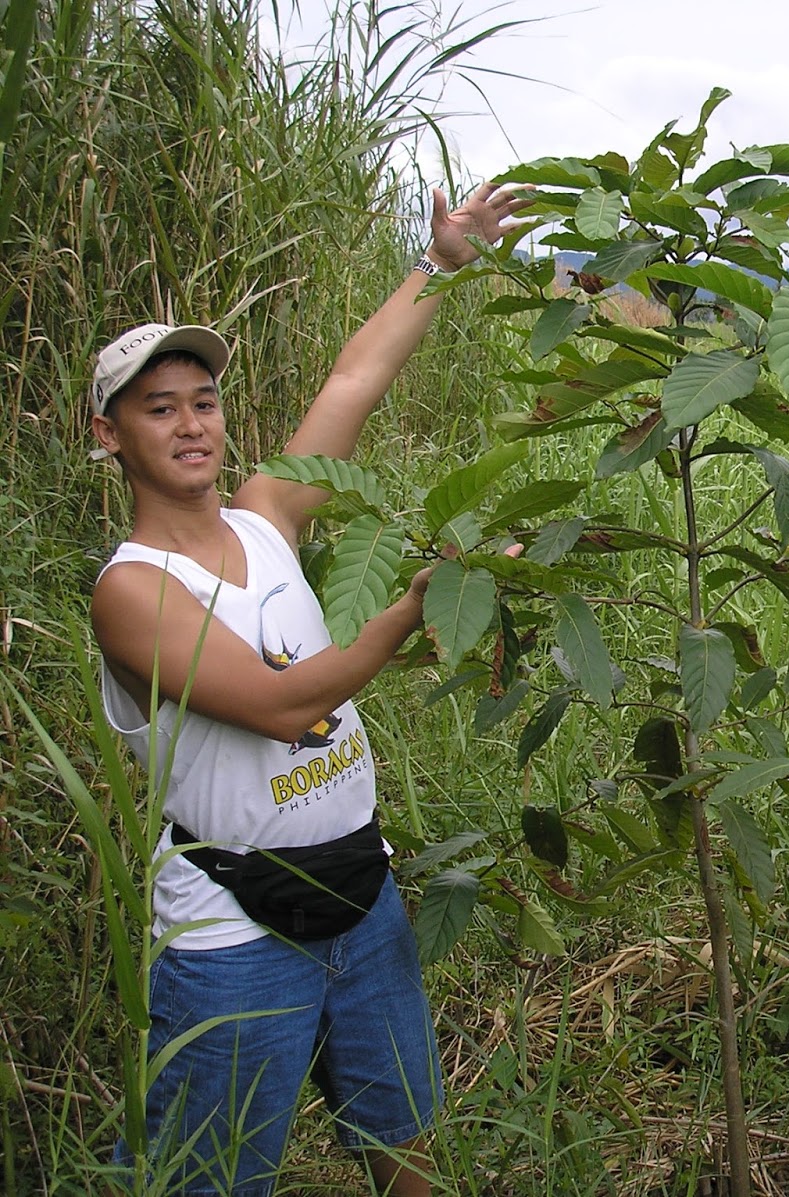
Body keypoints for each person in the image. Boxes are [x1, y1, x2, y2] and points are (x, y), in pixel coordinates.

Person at [90, 181, 529, 1196]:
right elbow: (285, 704)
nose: (190, 424)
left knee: (402, 1142)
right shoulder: (131, 590)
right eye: (158, 409)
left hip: (358, 888)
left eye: (203, 402)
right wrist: (419, 604)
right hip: (232, 925)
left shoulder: (265, 515)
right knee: (210, 1177)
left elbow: (353, 380)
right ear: (113, 436)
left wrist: (441, 265)